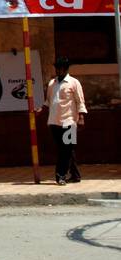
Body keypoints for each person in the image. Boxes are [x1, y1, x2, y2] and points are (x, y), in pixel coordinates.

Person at [44, 55, 87, 185]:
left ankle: (60, 175)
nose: (58, 71)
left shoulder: (74, 82)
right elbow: (48, 101)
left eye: (61, 68)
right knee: (66, 149)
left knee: (66, 149)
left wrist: (81, 117)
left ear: (66, 69)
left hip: (69, 121)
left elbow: (80, 101)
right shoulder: (52, 83)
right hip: (54, 122)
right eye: (57, 68)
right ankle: (75, 175)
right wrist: (41, 109)